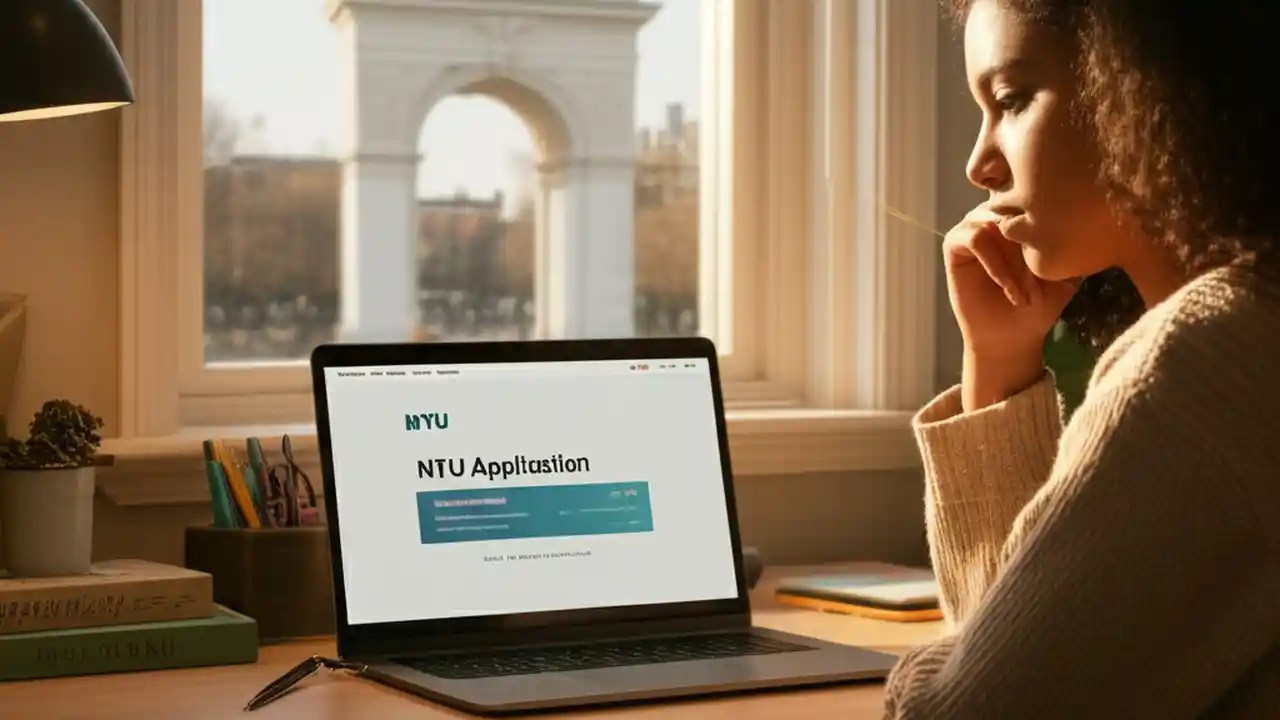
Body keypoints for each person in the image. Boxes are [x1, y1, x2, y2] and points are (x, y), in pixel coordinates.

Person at [882, 0, 1280, 717]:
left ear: (1148, 81)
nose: (979, 164)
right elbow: (1028, 652)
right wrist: (999, 360)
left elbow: (968, 709)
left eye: (1011, 100)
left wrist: (907, 677)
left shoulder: (1200, 368)